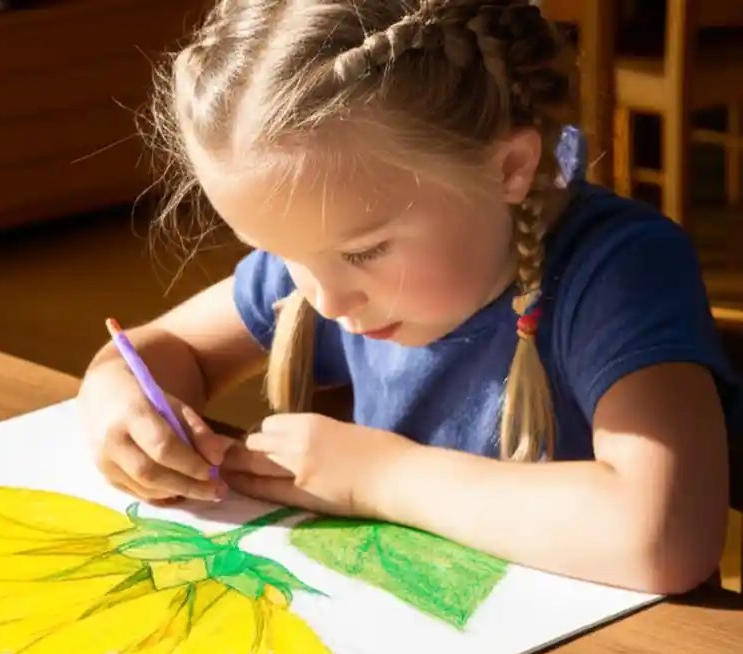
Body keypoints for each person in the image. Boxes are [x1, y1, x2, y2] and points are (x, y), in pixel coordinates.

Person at [76, 0, 741, 594]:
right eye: (282, 253)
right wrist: (120, 403)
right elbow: (159, 349)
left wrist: (381, 479)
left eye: (365, 252)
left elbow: (663, 538)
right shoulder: (324, 262)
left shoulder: (618, 272)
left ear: (507, 168)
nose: (326, 299)